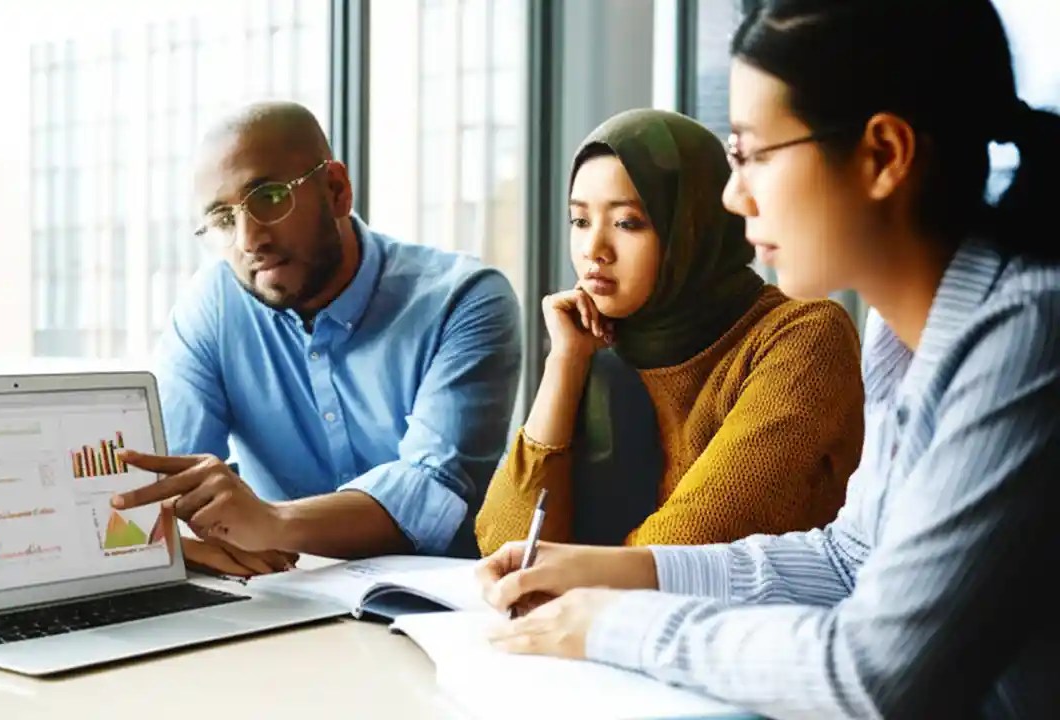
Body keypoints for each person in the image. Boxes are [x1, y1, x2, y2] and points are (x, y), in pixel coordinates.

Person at [476, 1, 1060, 717]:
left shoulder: (1030, 336)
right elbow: (851, 558)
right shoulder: (896, 331)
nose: (731, 194)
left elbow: (874, 675)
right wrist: (620, 571)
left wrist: (610, 622)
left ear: (884, 155)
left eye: (753, 155)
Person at [110, 100, 522, 573]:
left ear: (337, 190)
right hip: (281, 600)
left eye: (267, 198)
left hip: (436, 611)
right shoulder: (213, 304)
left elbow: (433, 493)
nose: (249, 240)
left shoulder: (465, 299)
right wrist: (185, 541)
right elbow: (165, 479)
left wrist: (272, 522)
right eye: (224, 220)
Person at [475, 108, 864, 556]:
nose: (593, 250)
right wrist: (564, 362)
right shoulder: (598, 345)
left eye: (627, 223)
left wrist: (566, 574)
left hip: (752, 624)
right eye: (580, 221)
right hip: (603, 620)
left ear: (692, 227)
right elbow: (507, 549)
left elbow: (686, 551)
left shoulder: (801, 338)